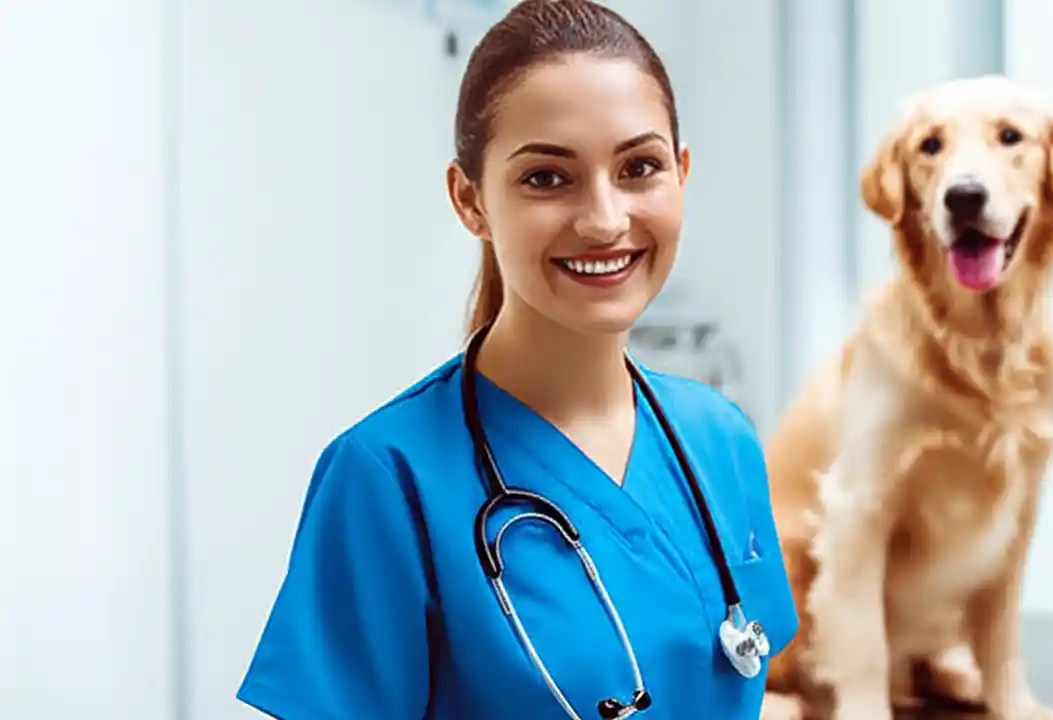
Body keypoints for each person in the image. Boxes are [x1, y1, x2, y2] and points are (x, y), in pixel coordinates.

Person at [236, 1, 798, 717]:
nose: (604, 219)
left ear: (681, 174)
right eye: (546, 178)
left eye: (640, 167)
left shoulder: (721, 438)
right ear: (470, 200)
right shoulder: (387, 476)